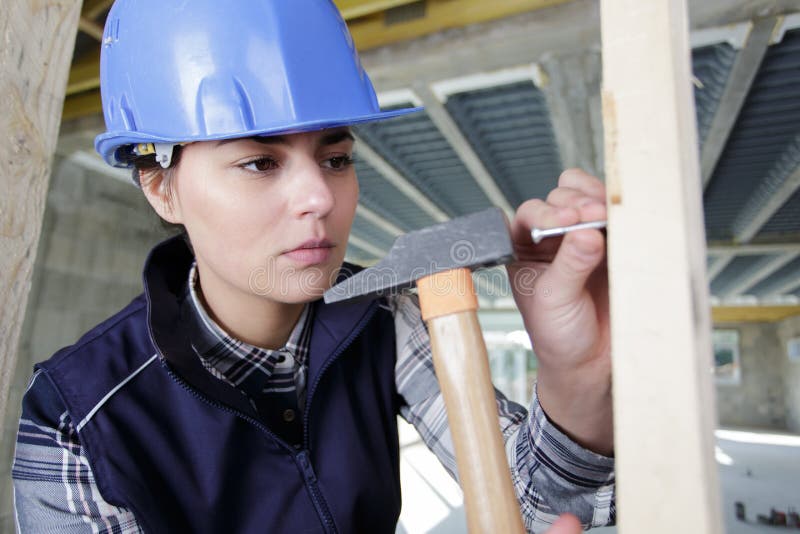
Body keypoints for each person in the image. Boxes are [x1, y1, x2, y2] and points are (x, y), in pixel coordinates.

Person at [12, 0, 614, 532]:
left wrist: (576, 381)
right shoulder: (74, 416)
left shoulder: (385, 318)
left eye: (336, 157)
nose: (321, 199)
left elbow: (537, 508)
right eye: (259, 163)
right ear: (160, 188)